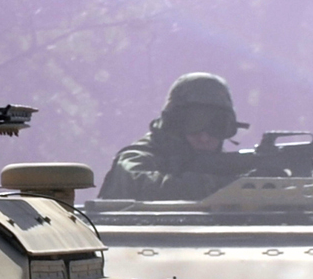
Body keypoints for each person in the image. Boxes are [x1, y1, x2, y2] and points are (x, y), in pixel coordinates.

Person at [100, 72, 249, 200]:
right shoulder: (136, 158)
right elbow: (142, 185)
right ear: (174, 124)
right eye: (194, 125)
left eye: (217, 127)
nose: (204, 137)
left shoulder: (223, 167)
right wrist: (228, 187)